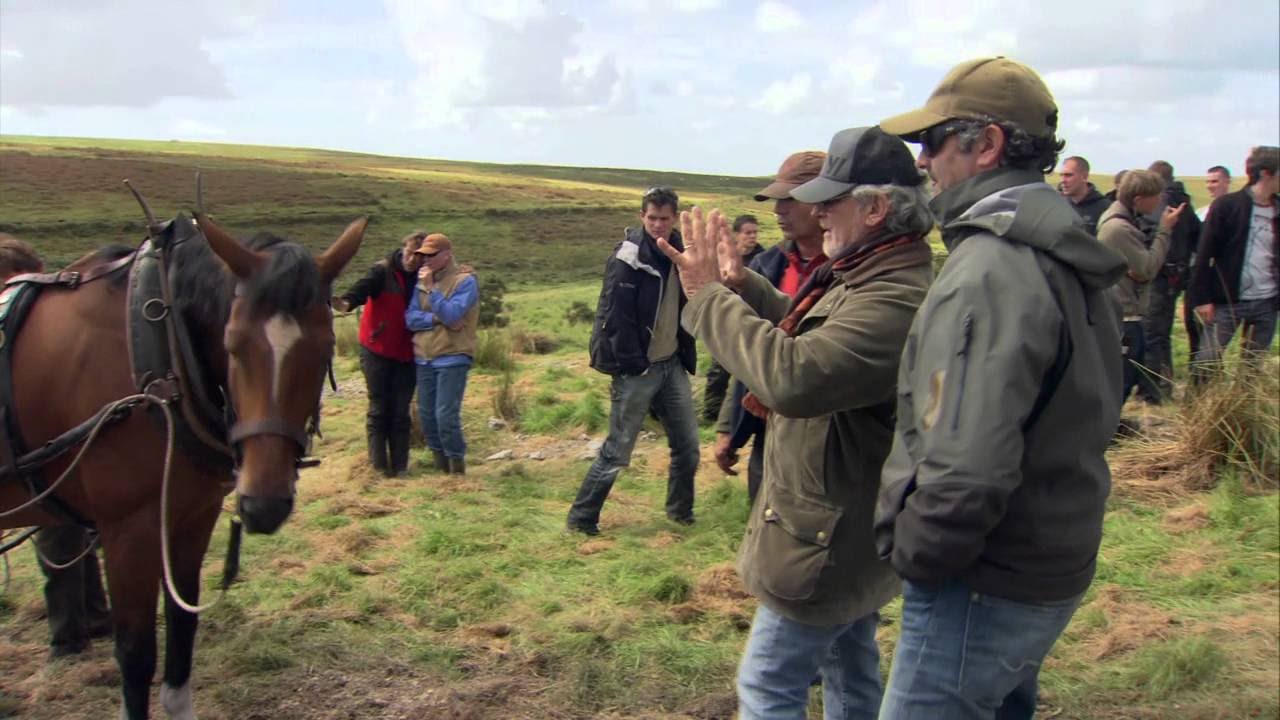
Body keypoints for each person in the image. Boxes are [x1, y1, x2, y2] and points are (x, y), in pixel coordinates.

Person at [874, 56, 1127, 719]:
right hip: (1049, 558)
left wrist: (917, 558)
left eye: (932, 141)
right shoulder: (1062, 245)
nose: (923, 161)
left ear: (985, 144)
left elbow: (966, 472)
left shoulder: (990, 267)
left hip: (984, 578)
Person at [662, 126, 932, 720]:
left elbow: (797, 376)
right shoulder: (872, 272)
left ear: (876, 208)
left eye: (828, 199)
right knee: (851, 666)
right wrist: (743, 287)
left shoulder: (894, 295)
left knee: (766, 687)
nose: (816, 211)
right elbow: (816, 339)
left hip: (829, 532)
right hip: (841, 523)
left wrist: (708, 298)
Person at [0, 234, 111, 660]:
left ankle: (69, 639)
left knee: (59, 543)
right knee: (74, 536)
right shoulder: (53, 315)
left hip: (45, 455)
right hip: (67, 451)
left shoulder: (27, 323)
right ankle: (96, 618)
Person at [568, 187, 698, 535]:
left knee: (688, 446)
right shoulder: (628, 257)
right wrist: (634, 365)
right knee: (618, 451)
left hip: (671, 364)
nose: (657, 224)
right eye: (651, 218)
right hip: (639, 368)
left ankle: (680, 515)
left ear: (674, 220)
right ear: (642, 217)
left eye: (664, 218)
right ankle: (581, 520)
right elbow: (615, 318)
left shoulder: (681, 254)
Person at [713, 151, 827, 506]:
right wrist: (728, 427)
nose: (778, 210)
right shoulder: (766, 265)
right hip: (767, 423)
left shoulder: (852, 269)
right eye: (777, 200)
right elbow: (745, 355)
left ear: (824, 198)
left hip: (824, 432)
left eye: (789, 199)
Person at [334, 231, 426, 476]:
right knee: (378, 408)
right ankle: (377, 467)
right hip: (377, 350)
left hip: (408, 353)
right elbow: (361, 289)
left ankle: (400, 467)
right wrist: (346, 303)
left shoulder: (426, 277)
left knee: (400, 411)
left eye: (418, 257)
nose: (412, 260)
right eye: (409, 253)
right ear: (403, 248)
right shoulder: (382, 271)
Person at [1098, 170, 1186, 406]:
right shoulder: (1119, 229)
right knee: (1123, 380)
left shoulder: (1120, 221)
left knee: (1126, 377)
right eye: (1156, 197)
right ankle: (1108, 434)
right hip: (1125, 315)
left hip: (1125, 312)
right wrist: (1165, 230)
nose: (1159, 203)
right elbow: (1147, 268)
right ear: (1138, 199)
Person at [1191, 146, 1280, 368]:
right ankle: (1198, 403)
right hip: (1227, 301)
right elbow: (1204, 254)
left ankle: (1244, 403)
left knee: (1252, 369)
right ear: (1266, 173)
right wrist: (1202, 298)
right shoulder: (1227, 206)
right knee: (1207, 361)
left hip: (1267, 302)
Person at [404, 233, 480, 475]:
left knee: (445, 415)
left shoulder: (465, 281)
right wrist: (437, 318)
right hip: (424, 356)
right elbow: (411, 318)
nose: (425, 260)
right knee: (427, 416)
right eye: (422, 255)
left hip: (453, 355)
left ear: (447, 255)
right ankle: (440, 466)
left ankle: (456, 466)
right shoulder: (420, 283)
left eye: (431, 255)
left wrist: (432, 292)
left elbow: (454, 314)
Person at [1137, 162, 1200, 404]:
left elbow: (1148, 237)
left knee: (1152, 333)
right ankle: (1164, 385)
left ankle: (1154, 391)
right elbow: (1198, 236)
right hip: (1176, 276)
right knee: (1161, 334)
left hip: (1159, 276)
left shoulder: (1160, 204)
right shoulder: (1185, 203)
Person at [701, 214, 763, 424]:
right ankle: (711, 414)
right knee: (719, 369)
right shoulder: (727, 256)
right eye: (748, 232)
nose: (752, 236)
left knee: (746, 372)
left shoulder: (763, 259)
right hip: (727, 321)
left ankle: (743, 416)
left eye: (755, 232)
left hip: (754, 322)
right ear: (737, 235)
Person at [1058, 155, 1110, 235]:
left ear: (1084, 176)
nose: (1063, 180)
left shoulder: (1105, 207)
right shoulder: (1058, 204)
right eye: (1061, 175)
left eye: (1068, 175)